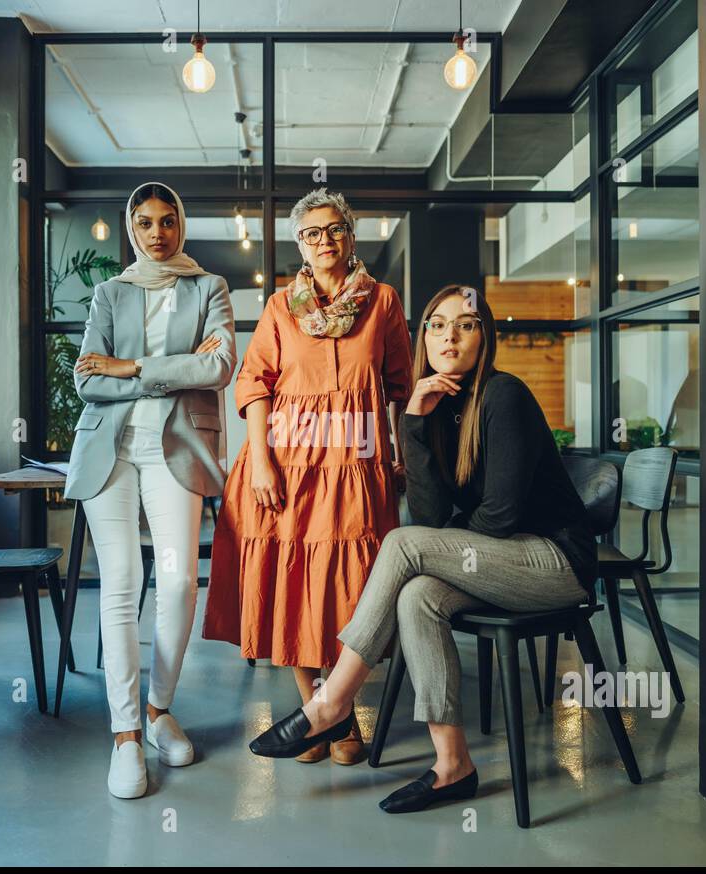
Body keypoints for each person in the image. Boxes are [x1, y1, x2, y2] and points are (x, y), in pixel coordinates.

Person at [247, 283, 598, 814]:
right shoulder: (434, 407)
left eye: (466, 323)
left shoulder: (505, 395)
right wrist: (412, 417)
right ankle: (452, 764)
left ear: (486, 337)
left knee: (402, 544)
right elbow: (432, 517)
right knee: (417, 596)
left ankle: (334, 700)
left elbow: (499, 517)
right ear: (422, 338)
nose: (449, 335)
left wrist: (447, 532)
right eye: (436, 324)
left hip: (553, 561)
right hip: (498, 562)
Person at [203, 188, 412, 766]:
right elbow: (254, 384)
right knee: (292, 583)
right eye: (311, 233)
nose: (324, 240)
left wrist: (399, 454)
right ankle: (315, 714)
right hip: (288, 465)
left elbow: (398, 385)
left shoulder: (384, 301)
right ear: (300, 244)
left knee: (353, 590)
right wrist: (262, 458)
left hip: (357, 463)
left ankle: (338, 707)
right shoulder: (279, 306)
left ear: (351, 234)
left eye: (334, 229)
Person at [64, 182, 236, 799]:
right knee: (120, 585)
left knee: (181, 582)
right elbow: (88, 381)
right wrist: (172, 371)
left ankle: (159, 709)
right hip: (110, 450)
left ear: (181, 224)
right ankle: (125, 735)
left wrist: (131, 368)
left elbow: (217, 369)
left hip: (176, 449)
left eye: (167, 220)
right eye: (144, 222)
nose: (157, 233)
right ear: (131, 228)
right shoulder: (110, 292)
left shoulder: (208, 288)